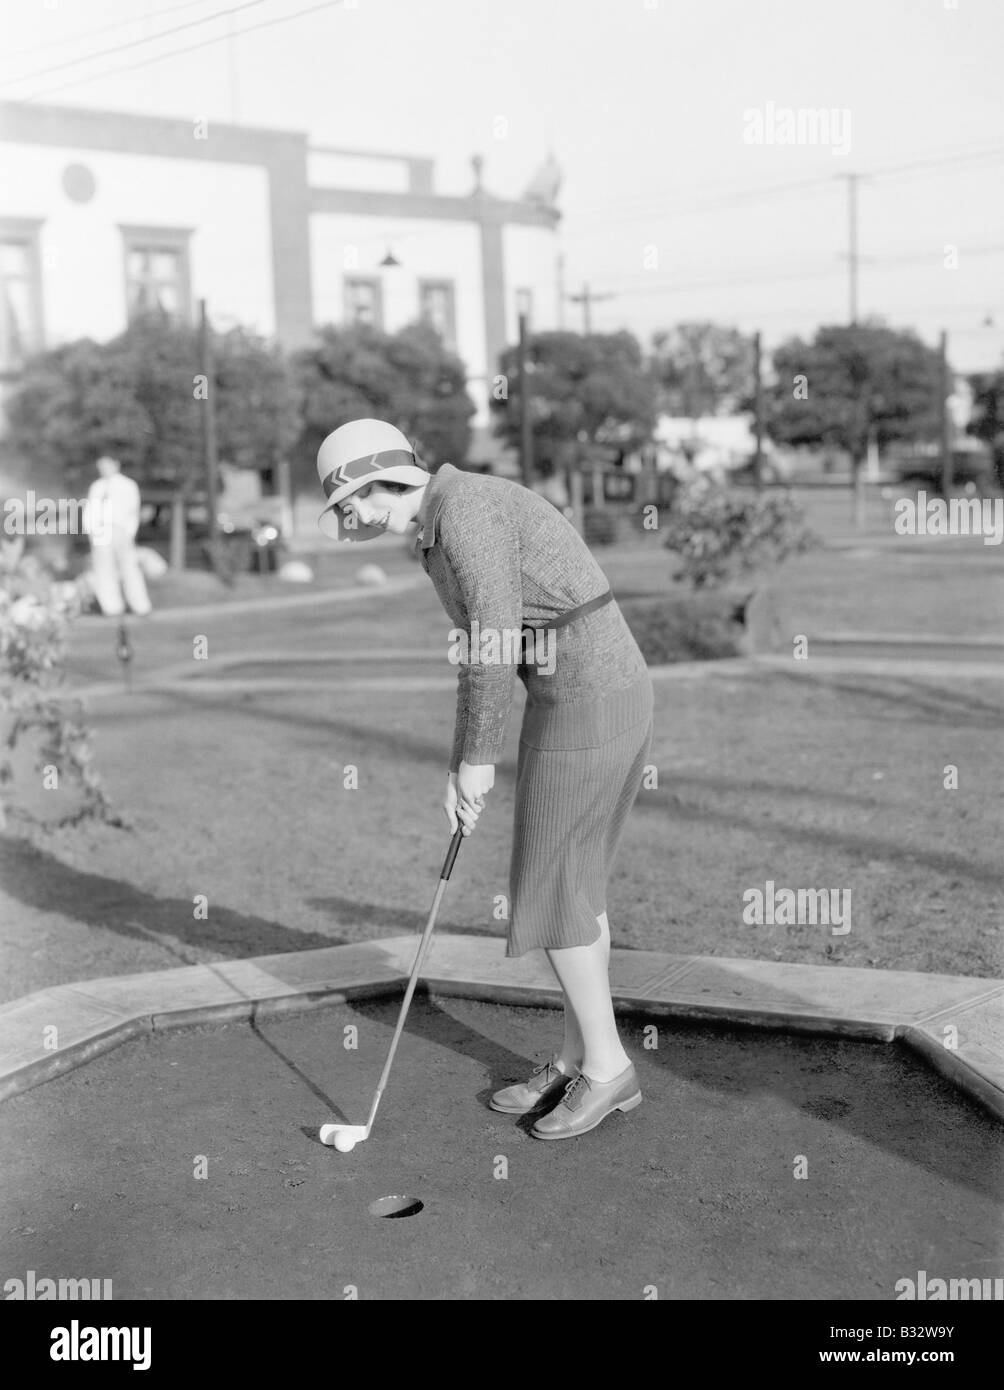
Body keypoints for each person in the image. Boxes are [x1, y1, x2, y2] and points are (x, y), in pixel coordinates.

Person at [317, 419, 654, 1141]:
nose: (349, 518)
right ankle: (575, 1059)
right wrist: (460, 761)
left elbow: (495, 639)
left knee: (552, 887)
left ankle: (607, 1069)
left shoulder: (463, 512)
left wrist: (477, 758)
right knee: (572, 886)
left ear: (380, 482)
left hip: (592, 698)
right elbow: (483, 647)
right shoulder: (440, 521)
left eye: (348, 502)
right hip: (580, 695)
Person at [86, 456, 152, 617]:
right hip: (101, 530)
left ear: (116, 464)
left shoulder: (128, 485)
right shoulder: (97, 487)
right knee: (103, 568)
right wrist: (92, 531)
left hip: (120, 529)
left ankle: (140, 605)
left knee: (129, 567)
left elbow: (133, 511)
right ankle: (111, 606)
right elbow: (90, 511)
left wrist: (129, 532)